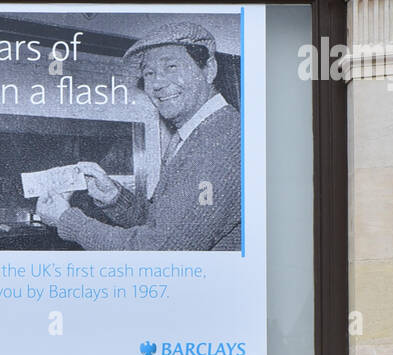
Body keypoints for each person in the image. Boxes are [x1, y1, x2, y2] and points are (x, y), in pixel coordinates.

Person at [36, 20, 241, 252]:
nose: (158, 83)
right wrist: (114, 197)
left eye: (171, 67)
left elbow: (161, 250)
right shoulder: (197, 134)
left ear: (209, 69)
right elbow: (165, 225)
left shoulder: (220, 140)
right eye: (149, 73)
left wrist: (66, 220)